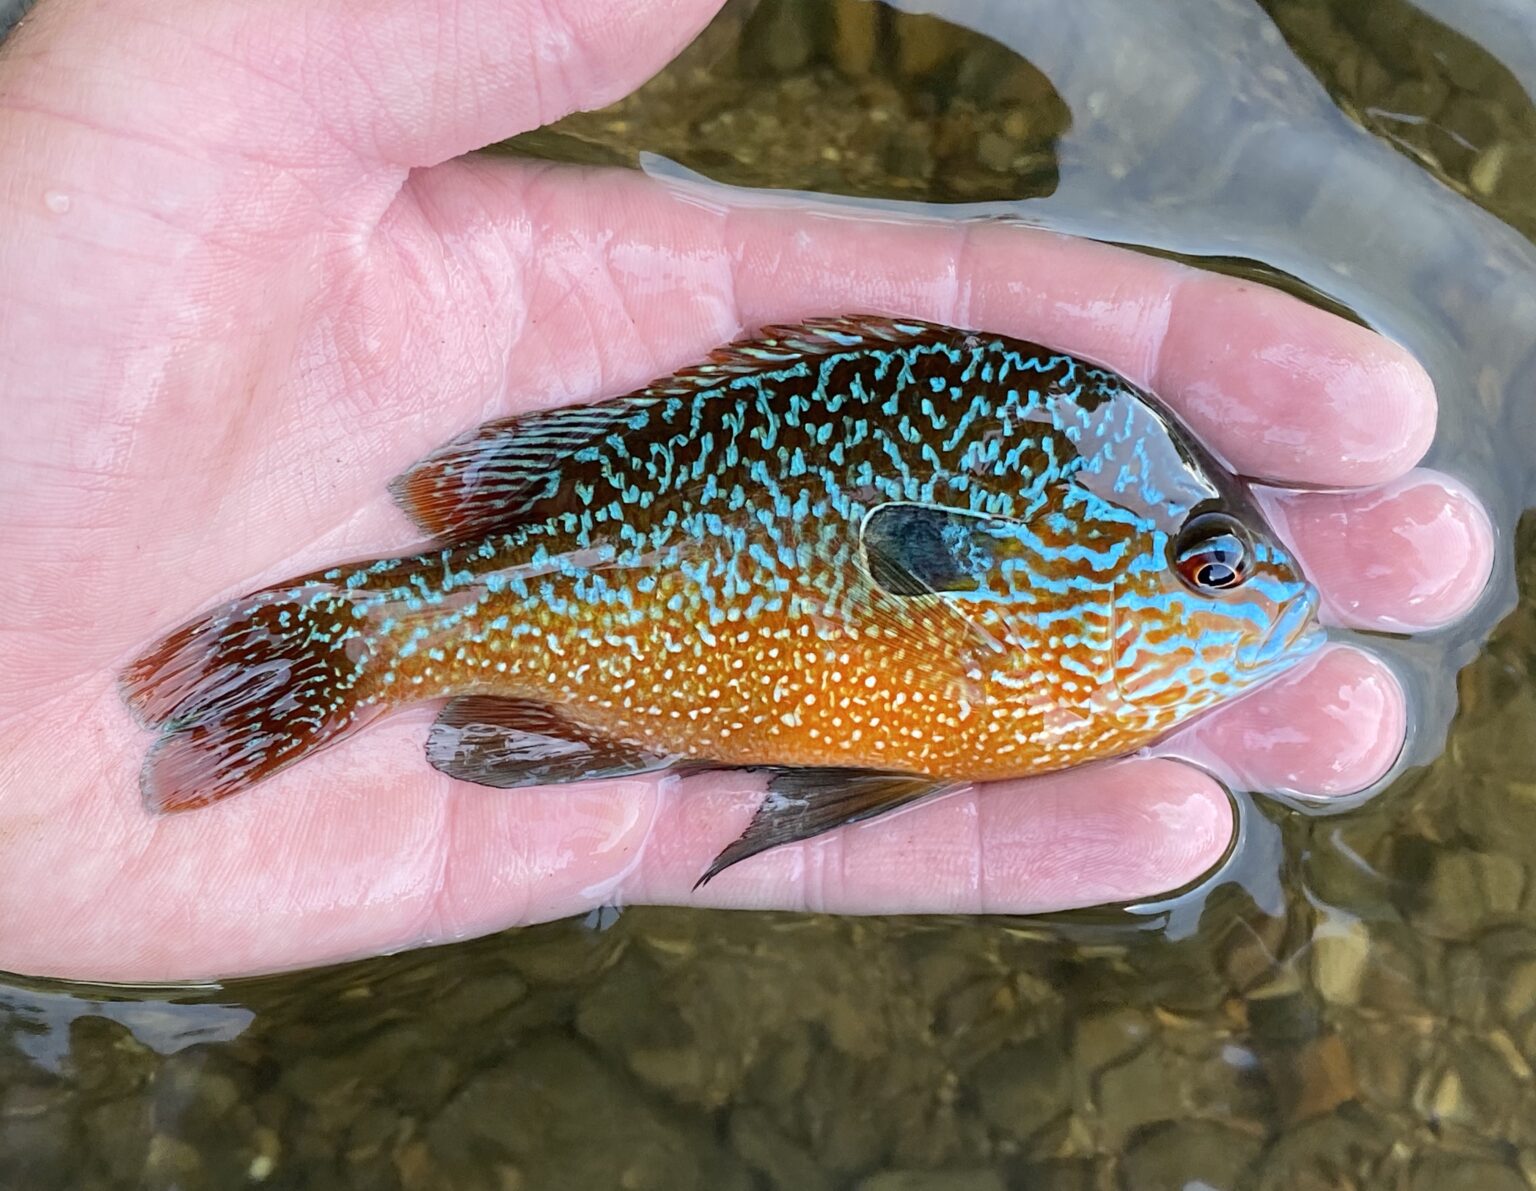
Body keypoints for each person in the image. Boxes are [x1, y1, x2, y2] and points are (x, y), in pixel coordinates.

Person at [0, 0, 1492, 983]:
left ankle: (326, 660)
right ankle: (346, 648)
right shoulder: (1048, 586)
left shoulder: (1056, 609)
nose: (1270, 597)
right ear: (1063, 557)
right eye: (1217, 563)